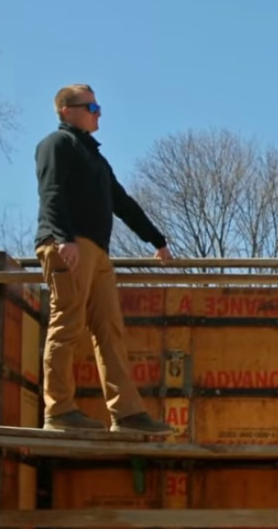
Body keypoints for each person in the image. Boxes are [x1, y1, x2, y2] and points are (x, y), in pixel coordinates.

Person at [34, 83, 177, 435]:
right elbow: (50, 191)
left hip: (98, 252)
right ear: (67, 110)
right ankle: (59, 411)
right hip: (69, 245)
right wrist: (63, 238)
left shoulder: (94, 157)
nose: (99, 113)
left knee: (110, 331)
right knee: (66, 325)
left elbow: (122, 202)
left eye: (98, 108)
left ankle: (127, 414)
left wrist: (157, 240)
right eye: (92, 108)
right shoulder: (58, 144)